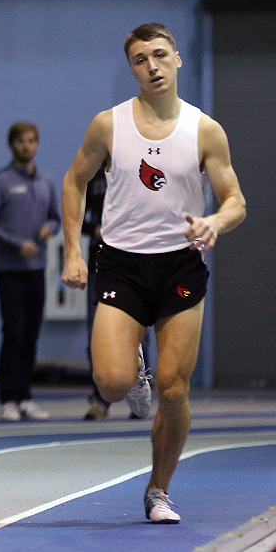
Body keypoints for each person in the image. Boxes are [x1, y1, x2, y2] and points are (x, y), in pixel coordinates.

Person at [60, 23, 247, 523]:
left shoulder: (205, 130)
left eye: (160, 55)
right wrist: (73, 253)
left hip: (179, 265)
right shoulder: (109, 125)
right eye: (141, 60)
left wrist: (214, 221)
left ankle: (158, 489)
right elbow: (74, 181)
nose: (152, 66)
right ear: (132, 69)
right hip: (120, 263)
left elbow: (235, 200)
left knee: (174, 388)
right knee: (112, 384)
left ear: (177, 59)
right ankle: (133, 366)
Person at [0, 122, 60, 422]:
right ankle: (8, 400)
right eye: (21, 141)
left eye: (32, 141)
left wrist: (49, 228)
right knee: (13, 333)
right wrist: (17, 244)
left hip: (37, 269)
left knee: (30, 335)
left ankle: (25, 398)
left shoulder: (47, 181)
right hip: (8, 270)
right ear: (11, 145)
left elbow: (55, 218)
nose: (27, 146)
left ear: (37, 144)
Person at [81, 167, 151, 421]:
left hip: (135, 262)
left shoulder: (138, 168)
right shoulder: (92, 175)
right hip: (100, 263)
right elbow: (75, 214)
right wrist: (93, 228)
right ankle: (100, 400)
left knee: (138, 334)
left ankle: (139, 394)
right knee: (97, 335)